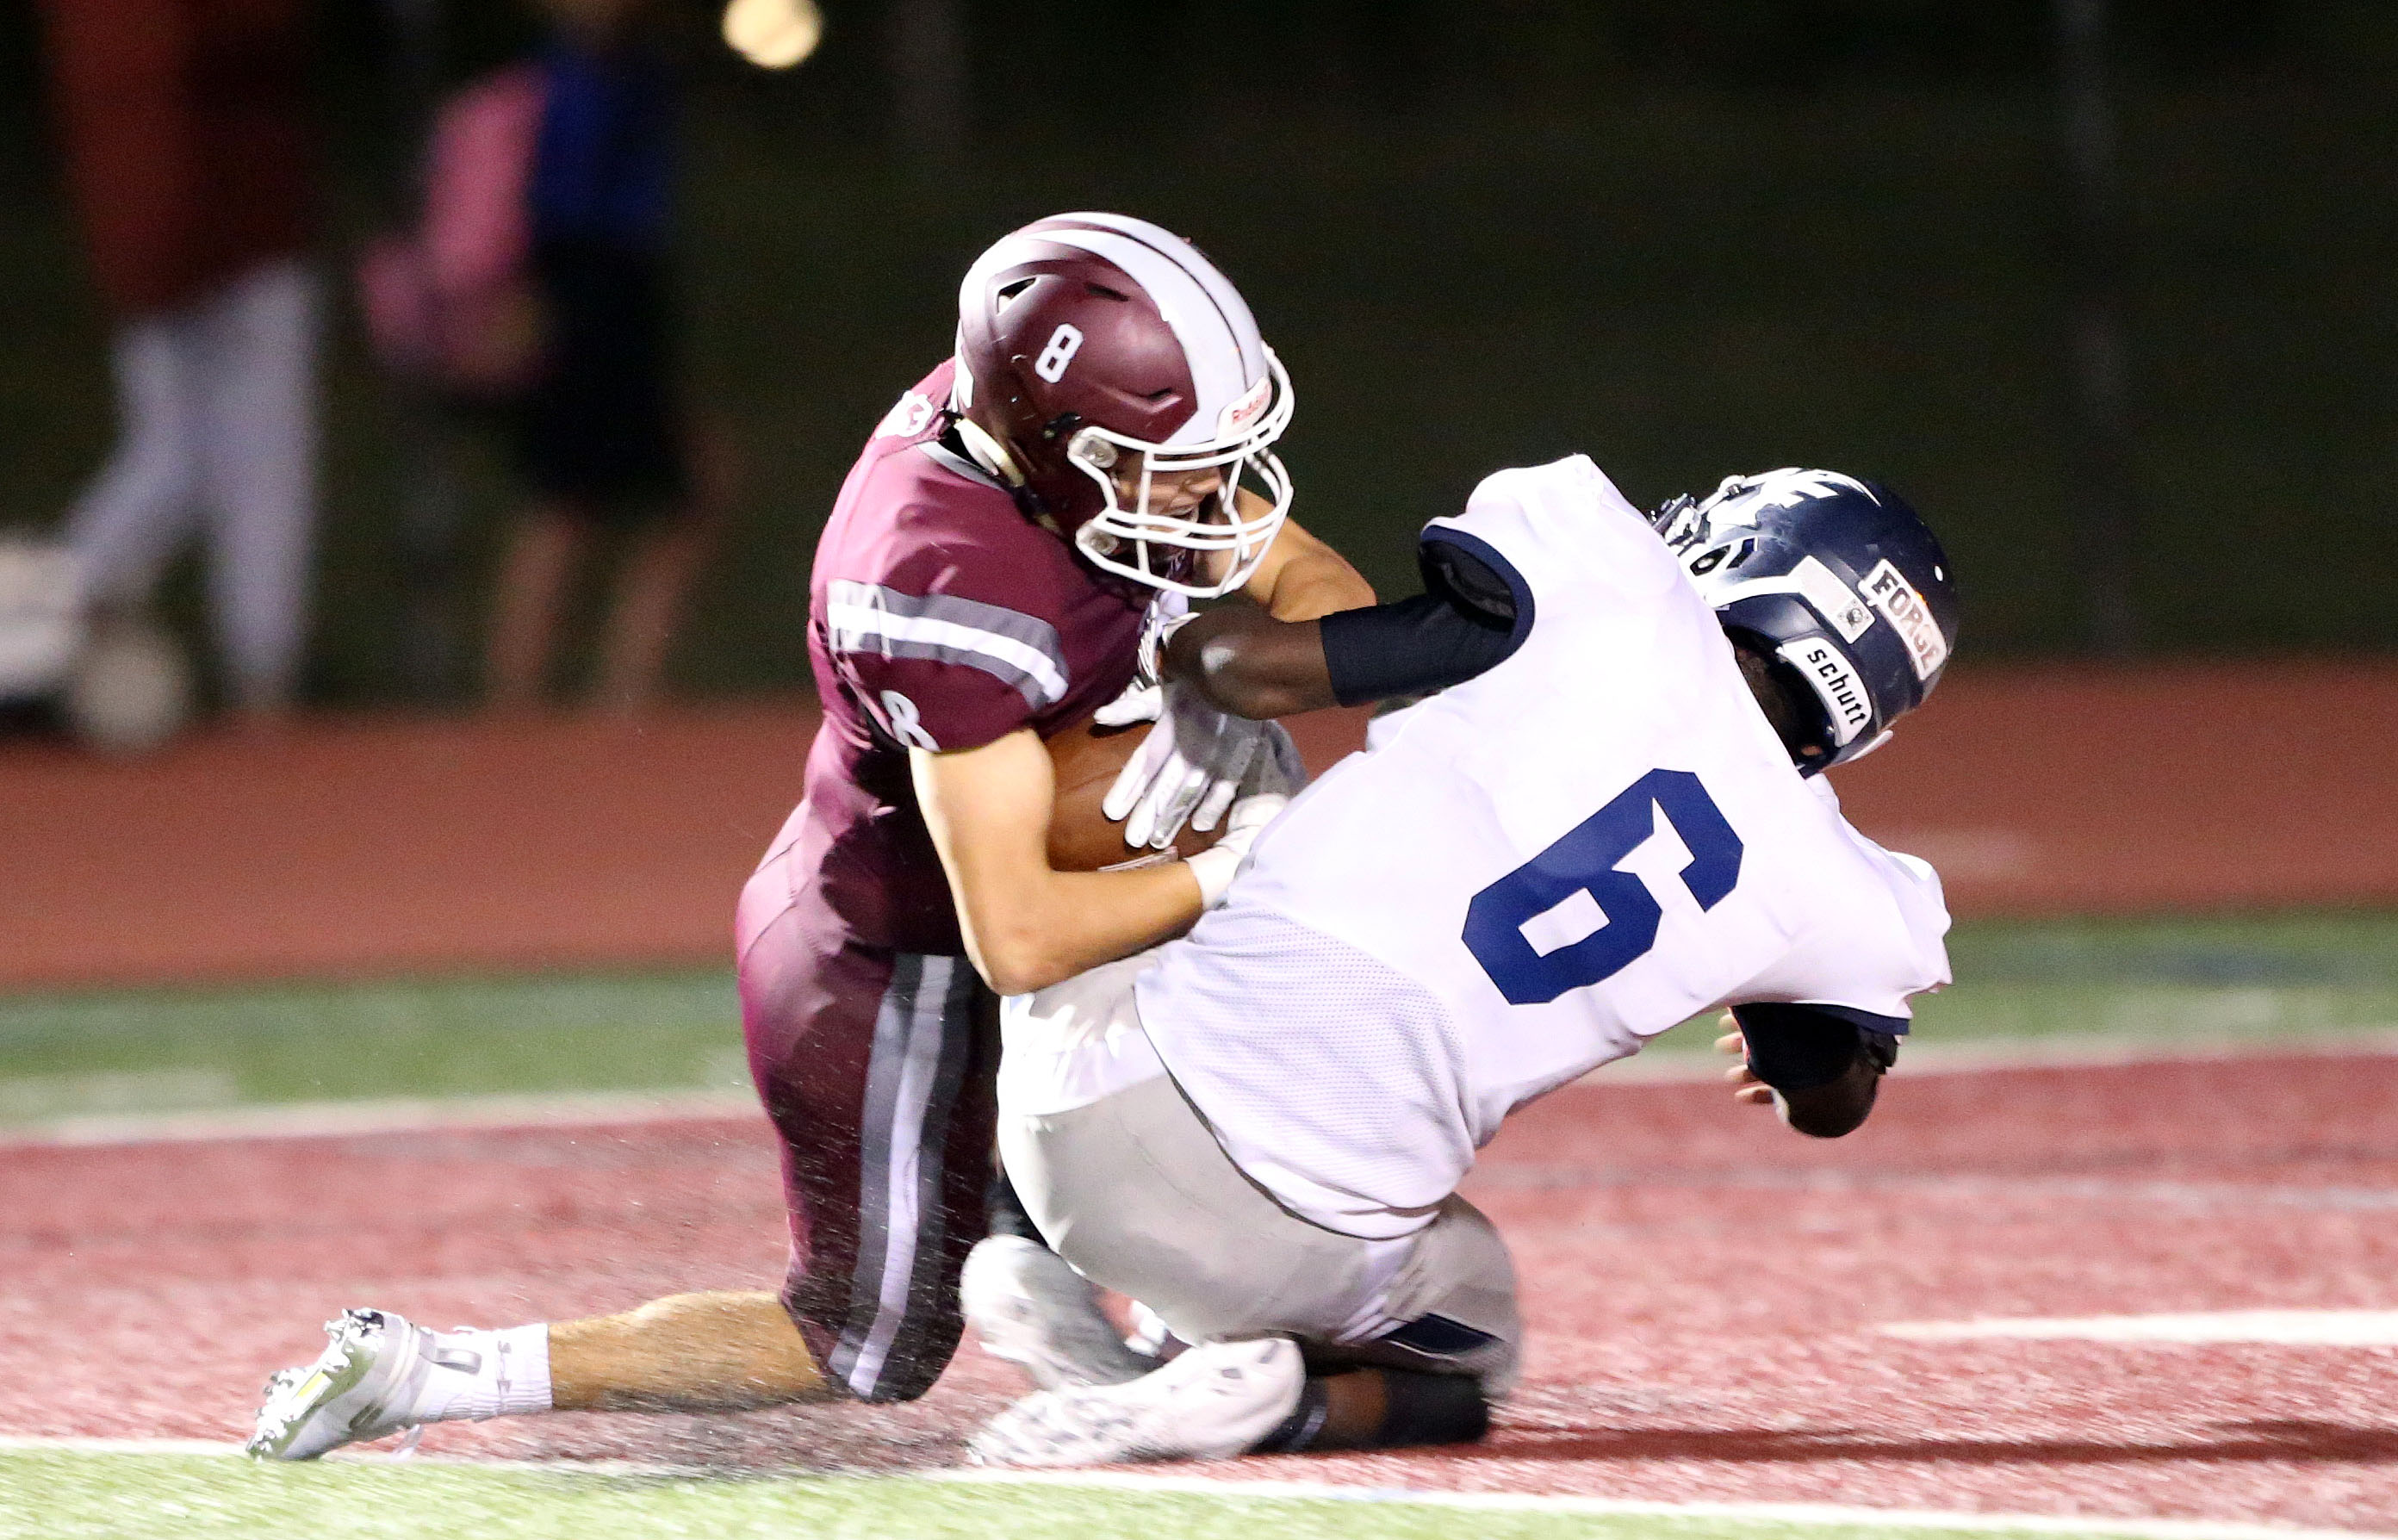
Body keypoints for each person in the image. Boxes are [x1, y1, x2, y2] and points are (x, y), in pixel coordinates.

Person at [245, 212, 1375, 1459]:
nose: (1214, 498)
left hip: (1031, 888)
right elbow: (1021, 934)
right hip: (895, 957)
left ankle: (1084, 1279)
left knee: (1278, 958)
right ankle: (427, 1372)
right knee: (864, 1341)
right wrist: (1234, 868)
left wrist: (1224, 682)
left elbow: (1315, 591)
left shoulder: (1042, 432)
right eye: (1171, 463)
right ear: (1057, 444)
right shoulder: (938, 572)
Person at [960, 460, 1960, 1466]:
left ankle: (1018, 1246)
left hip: (1077, 1112)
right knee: (1473, 1358)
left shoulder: (1605, 579)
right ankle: (1271, 1397)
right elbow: (1828, 1103)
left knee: (1223, 761)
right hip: (1275, 1253)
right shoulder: (1845, 894)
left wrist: (1183, 655)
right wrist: (1777, 1025)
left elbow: (1240, 666)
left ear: (1742, 552)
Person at [37, 0, 320, 727]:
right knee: (232, 459)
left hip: (157, 223)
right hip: (216, 221)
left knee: (181, 453)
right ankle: (37, 620)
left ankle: (46, 618)